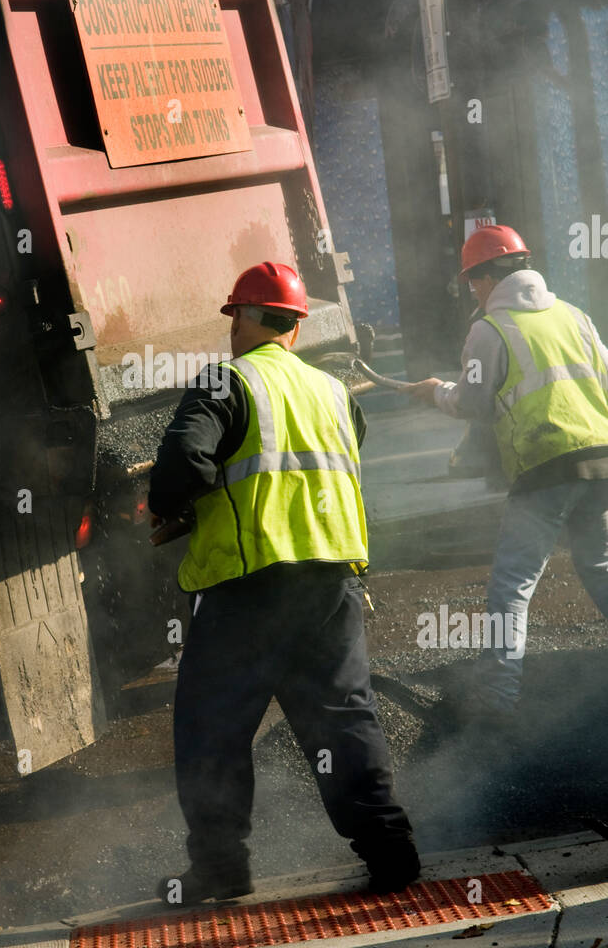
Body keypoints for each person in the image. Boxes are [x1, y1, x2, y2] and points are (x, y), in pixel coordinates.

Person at [148, 261, 419, 906]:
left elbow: (183, 459)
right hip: (332, 584)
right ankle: (391, 850)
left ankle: (221, 869)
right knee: (342, 718)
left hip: (250, 588)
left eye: (233, 317)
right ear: (295, 327)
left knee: (211, 727)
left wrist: (175, 505)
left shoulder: (225, 382)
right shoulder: (333, 392)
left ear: (244, 318)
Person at [410, 225, 608, 720]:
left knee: (511, 586)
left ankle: (498, 697)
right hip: (601, 461)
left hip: (544, 468)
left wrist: (436, 390)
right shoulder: (574, 316)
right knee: (601, 566)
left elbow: (473, 403)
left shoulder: (489, 329)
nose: (472, 291)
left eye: (471, 281)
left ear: (484, 277)